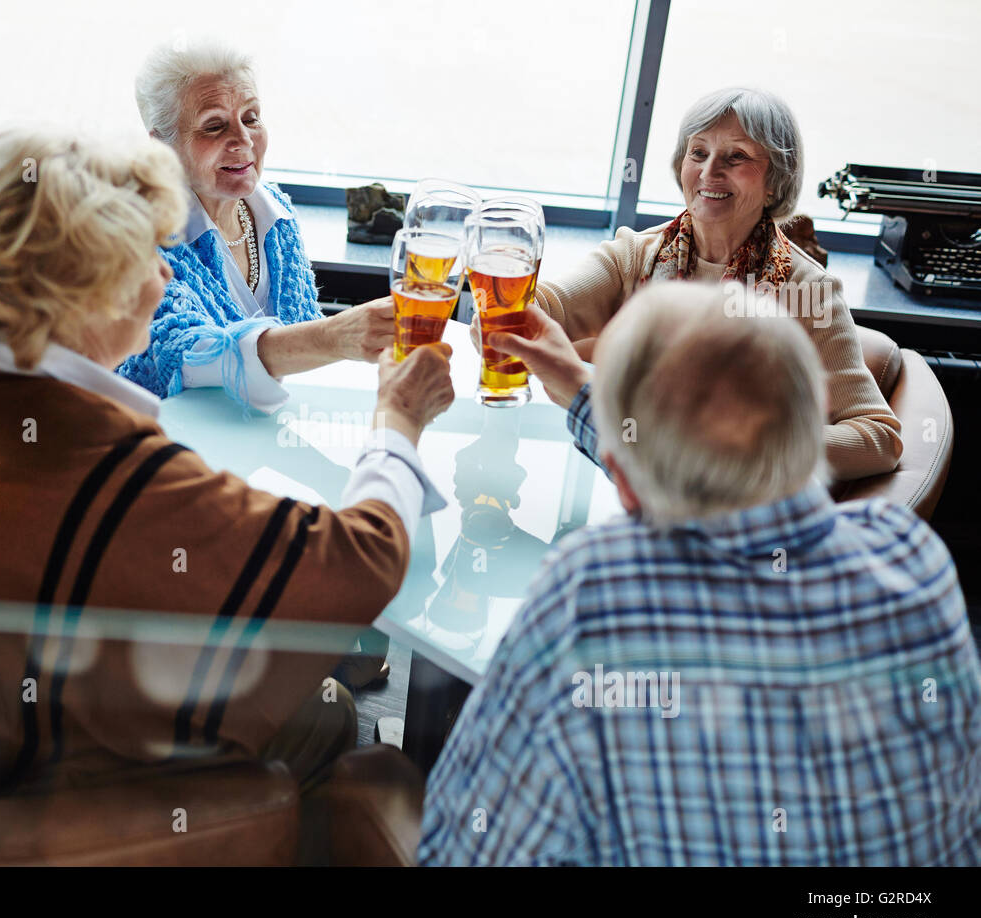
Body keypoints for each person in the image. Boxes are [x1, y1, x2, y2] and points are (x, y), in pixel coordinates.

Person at [0, 129, 454, 805]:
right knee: (329, 708)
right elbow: (358, 562)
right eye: (145, 258)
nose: (167, 276)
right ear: (85, 290)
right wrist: (398, 419)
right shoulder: (99, 463)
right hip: (2, 821)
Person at [419, 283, 981, 865]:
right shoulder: (913, 556)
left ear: (623, 480)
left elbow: (465, 852)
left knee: (373, 784)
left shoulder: (590, 594)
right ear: (813, 413)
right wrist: (589, 399)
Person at [532, 87, 901, 481]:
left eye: (736, 156)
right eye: (698, 153)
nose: (709, 173)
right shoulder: (634, 255)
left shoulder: (810, 290)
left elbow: (879, 439)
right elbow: (543, 306)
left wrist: (741, 451)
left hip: (733, 514)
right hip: (617, 484)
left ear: (776, 179)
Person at [120, 42, 395, 414]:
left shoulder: (275, 212)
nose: (244, 140)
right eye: (214, 126)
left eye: (251, 118)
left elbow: (302, 345)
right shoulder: (138, 234)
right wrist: (335, 336)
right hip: (173, 446)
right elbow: (179, 351)